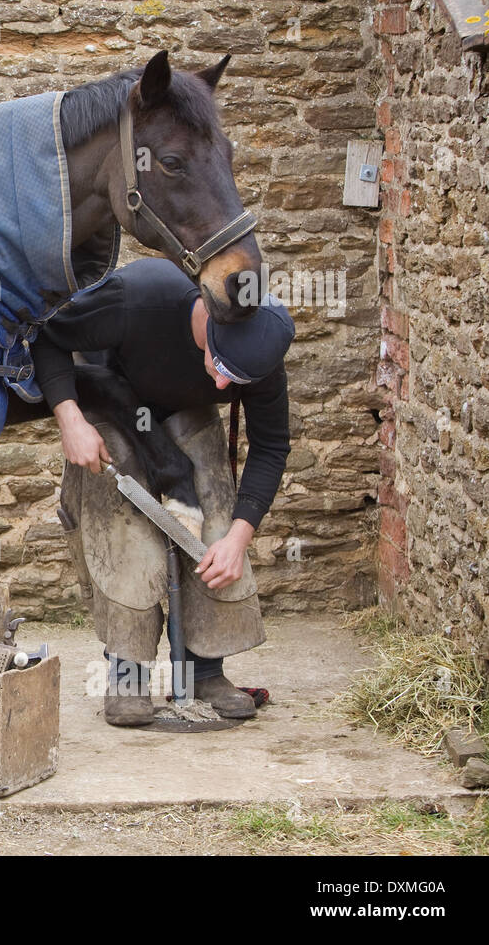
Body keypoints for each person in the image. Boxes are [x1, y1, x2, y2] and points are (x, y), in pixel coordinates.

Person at [33, 257, 294, 726]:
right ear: (208, 319)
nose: (221, 383)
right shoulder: (140, 296)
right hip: (112, 408)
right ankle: (127, 673)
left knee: (216, 521)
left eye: (234, 378)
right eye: (219, 363)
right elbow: (48, 336)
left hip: (187, 417)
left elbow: (272, 446)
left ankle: (205, 670)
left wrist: (239, 538)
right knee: (126, 534)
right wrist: (69, 418)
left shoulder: (261, 353)